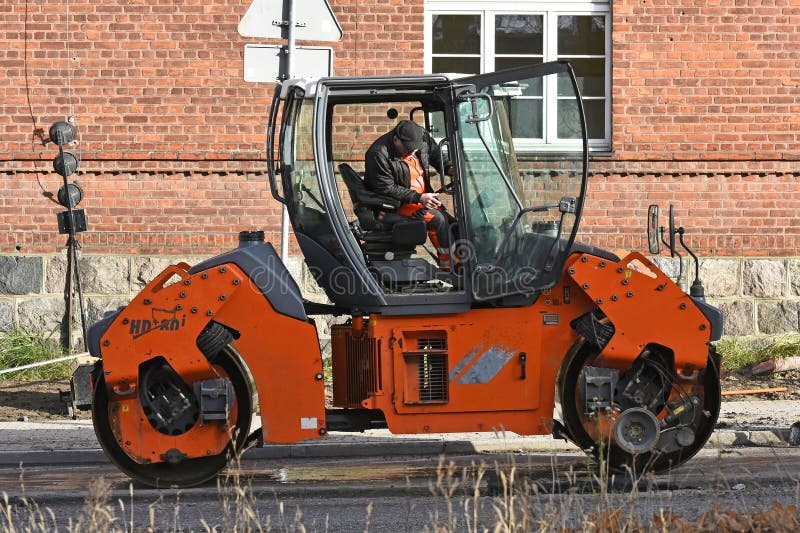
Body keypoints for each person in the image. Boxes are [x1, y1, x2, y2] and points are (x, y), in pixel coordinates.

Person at [364, 120, 455, 269]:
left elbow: (435, 155)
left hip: (420, 198)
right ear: (396, 139)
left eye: (415, 149)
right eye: (408, 149)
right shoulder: (378, 154)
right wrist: (419, 197)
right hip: (395, 204)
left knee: (453, 224)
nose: (412, 153)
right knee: (438, 220)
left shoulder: (421, 137)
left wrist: (449, 167)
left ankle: (462, 262)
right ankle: (450, 266)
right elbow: (386, 188)